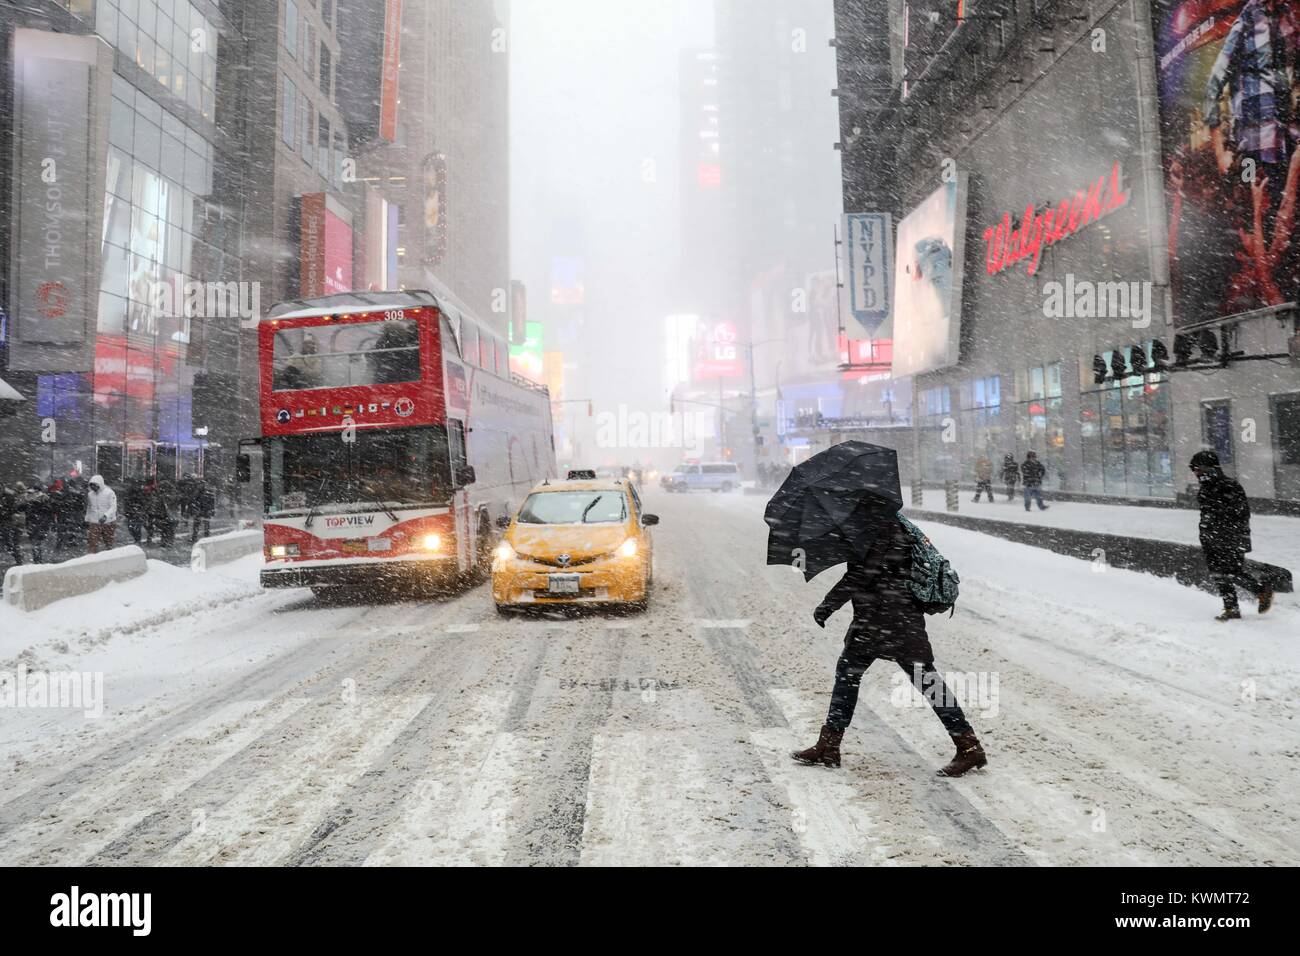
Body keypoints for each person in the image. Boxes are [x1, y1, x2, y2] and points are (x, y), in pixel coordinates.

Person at [791, 513, 988, 777]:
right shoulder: (886, 524)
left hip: (889, 620)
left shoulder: (881, 526)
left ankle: (968, 747)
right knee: (853, 675)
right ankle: (829, 745)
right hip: (885, 619)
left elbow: (863, 573)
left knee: (921, 681)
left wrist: (828, 605)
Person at [1190, 450, 1274, 621]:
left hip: (1230, 538)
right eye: (1195, 470)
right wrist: (1207, 534)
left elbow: (1240, 514)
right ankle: (1231, 609)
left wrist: (1224, 531)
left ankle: (1261, 591)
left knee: (1231, 572)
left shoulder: (1229, 485)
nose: (1196, 474)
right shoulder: (1206, 488)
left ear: (1209, 468)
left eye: (1198, 469)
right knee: (1218, 574)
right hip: (1211, 538)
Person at [21, 481, 55, 564]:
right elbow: (50, 511)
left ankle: (37, 558)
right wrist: (51, 522)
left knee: (34, 541)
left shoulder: (27, 498)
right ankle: (38, 559)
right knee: (38, 541)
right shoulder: (44, 497)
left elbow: (20, 508)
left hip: (32, 523)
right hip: (41, 522)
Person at [85, 475, 118, 553]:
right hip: (95, 522)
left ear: (99, 484)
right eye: (91, 485)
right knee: (92, 542)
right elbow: (89, 507)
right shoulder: (90, 494)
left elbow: (113, 507)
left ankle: (110, 557)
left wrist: (105, 516)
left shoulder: (109, 493)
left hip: (108, 522)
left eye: (94, 485)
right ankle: (91, 558)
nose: (93, 487)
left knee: (109, 542)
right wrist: (87, 518)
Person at [0, 484, 23, 565]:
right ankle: (18, 557)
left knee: (9, 543)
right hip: (6, 522)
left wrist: (4, 510)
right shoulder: (8, 496)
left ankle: (18, 559)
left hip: (7, 522)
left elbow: (13, 510)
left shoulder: (9, 497)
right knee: (8, 542)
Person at [124, 479, 147, 545]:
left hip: (139, 513)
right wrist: (127, 511)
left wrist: (141, 510)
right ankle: (136, 539)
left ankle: (138, 540)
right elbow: (126, 502)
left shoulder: (142, 493)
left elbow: (144, 502)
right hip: (130, 512)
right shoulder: (129, 492)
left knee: (137, 528)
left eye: (137, 485)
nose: (136, 486)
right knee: (130, 528)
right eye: (135, 484)